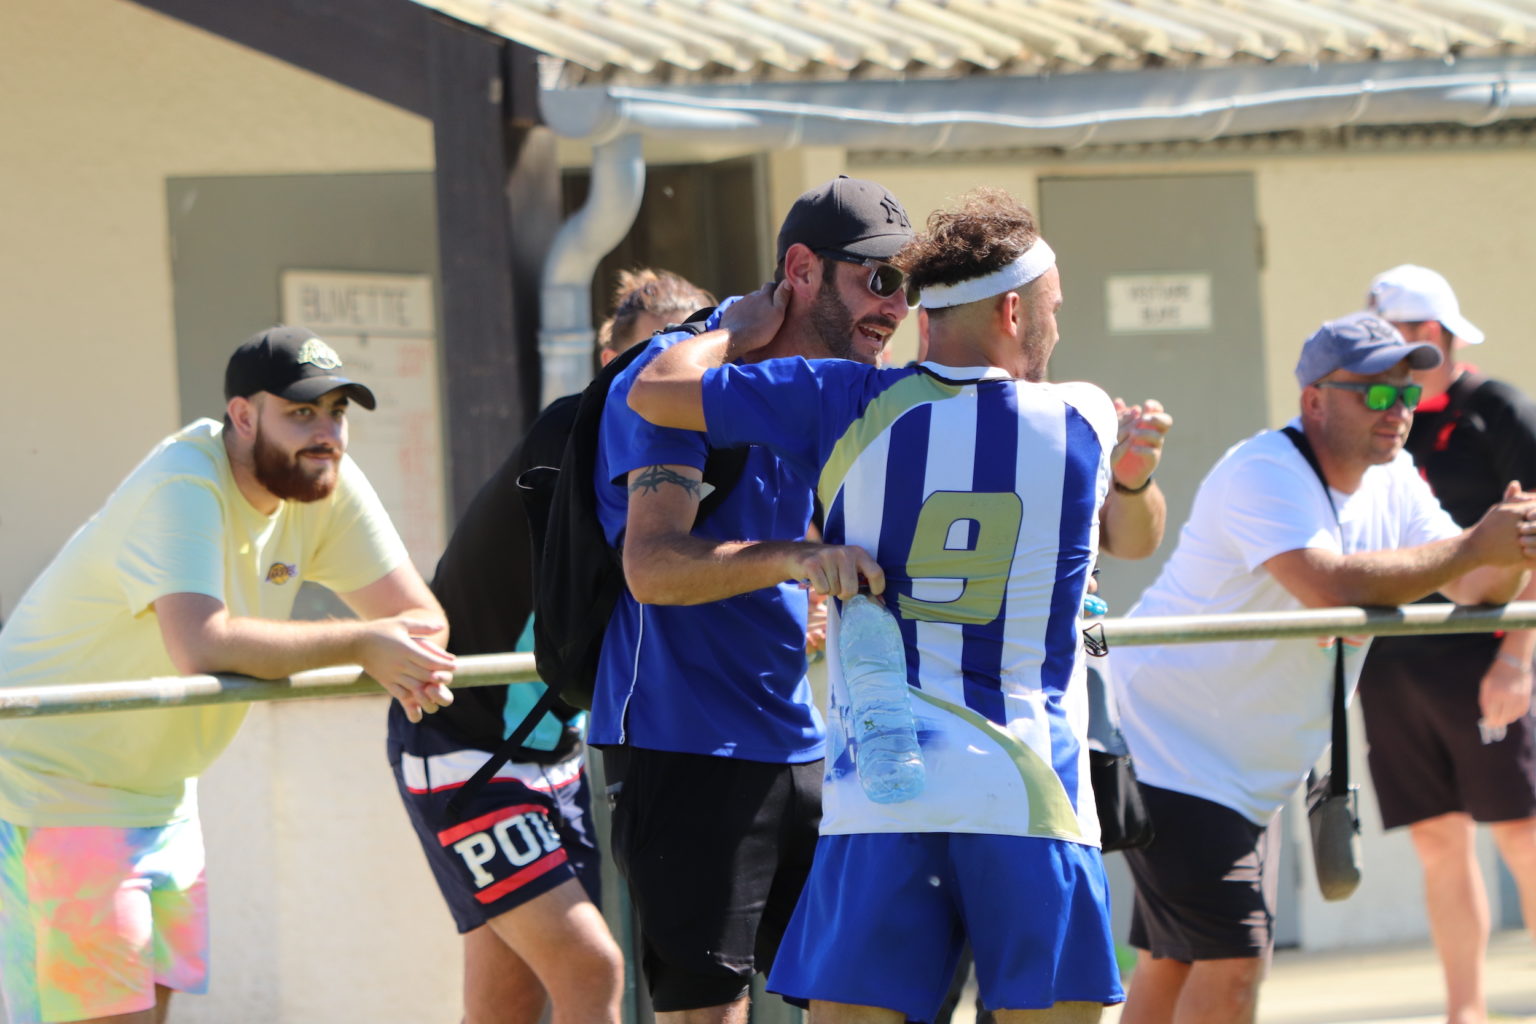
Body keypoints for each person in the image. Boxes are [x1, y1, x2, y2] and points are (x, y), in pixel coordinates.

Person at [628, 186, 1174, 1024]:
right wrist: (1133, 479)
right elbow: (1133, 540)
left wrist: (739, 324)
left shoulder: (843, 398)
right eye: (1054, 308)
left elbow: (654, 390)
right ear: (1015, 312)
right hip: (1033, 800)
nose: (1058, 327)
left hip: (883, 800)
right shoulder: (1087, 416)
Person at [0, 326, 455, 1024]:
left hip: (162, 793)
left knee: (146, 1015)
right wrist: (365, 643)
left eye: (337, 411)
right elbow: (202, 645)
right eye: (301, 412)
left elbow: (422, 623)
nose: (326, 431)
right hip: (50, 787)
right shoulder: (183, 481)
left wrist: (401, 652)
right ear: (242, 417)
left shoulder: (327, 479)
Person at [1112, 312, 1536, 1024]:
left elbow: (1471, 590)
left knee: (1174, 960)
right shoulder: (1264, 470)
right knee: (1234, 961)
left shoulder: (1395, 474)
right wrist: (1474, 548)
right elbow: (1330, 585)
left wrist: (1508, 550)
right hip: (1170, 750)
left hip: (1248, 771)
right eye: (1375, 393)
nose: (1397, 410)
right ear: (1315, 400)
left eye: (1406, 392)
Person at [591, 175, 912, 1023]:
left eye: (907, 286)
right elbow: (651, 567)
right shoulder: (683, 379)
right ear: (801, 269)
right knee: (710, 1011)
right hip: (683, 742)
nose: (896, 307)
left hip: (801, 739)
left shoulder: (830, 391)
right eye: (878, 278)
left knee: (854, 992)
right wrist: (795, 558)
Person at [387, 267, 714, 1024]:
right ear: (610, 369)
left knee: (509, 997)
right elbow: (656, 585)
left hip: (553, 755)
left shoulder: (689, 462)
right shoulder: (578, 437)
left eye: (696, 358)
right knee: (591, 969)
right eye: (652, 358)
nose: (674, 378)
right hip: (462, 749)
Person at [1358, 264, 1536, 1024]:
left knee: (1522, 835)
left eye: (1392, 340)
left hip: (1484, 655)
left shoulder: (1500, 409)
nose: (1381, 360)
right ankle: (1465, 1011)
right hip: (1394, 663)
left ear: (1433, 335)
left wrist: (1517, 658)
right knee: (1436, 838)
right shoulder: (1379, 414)